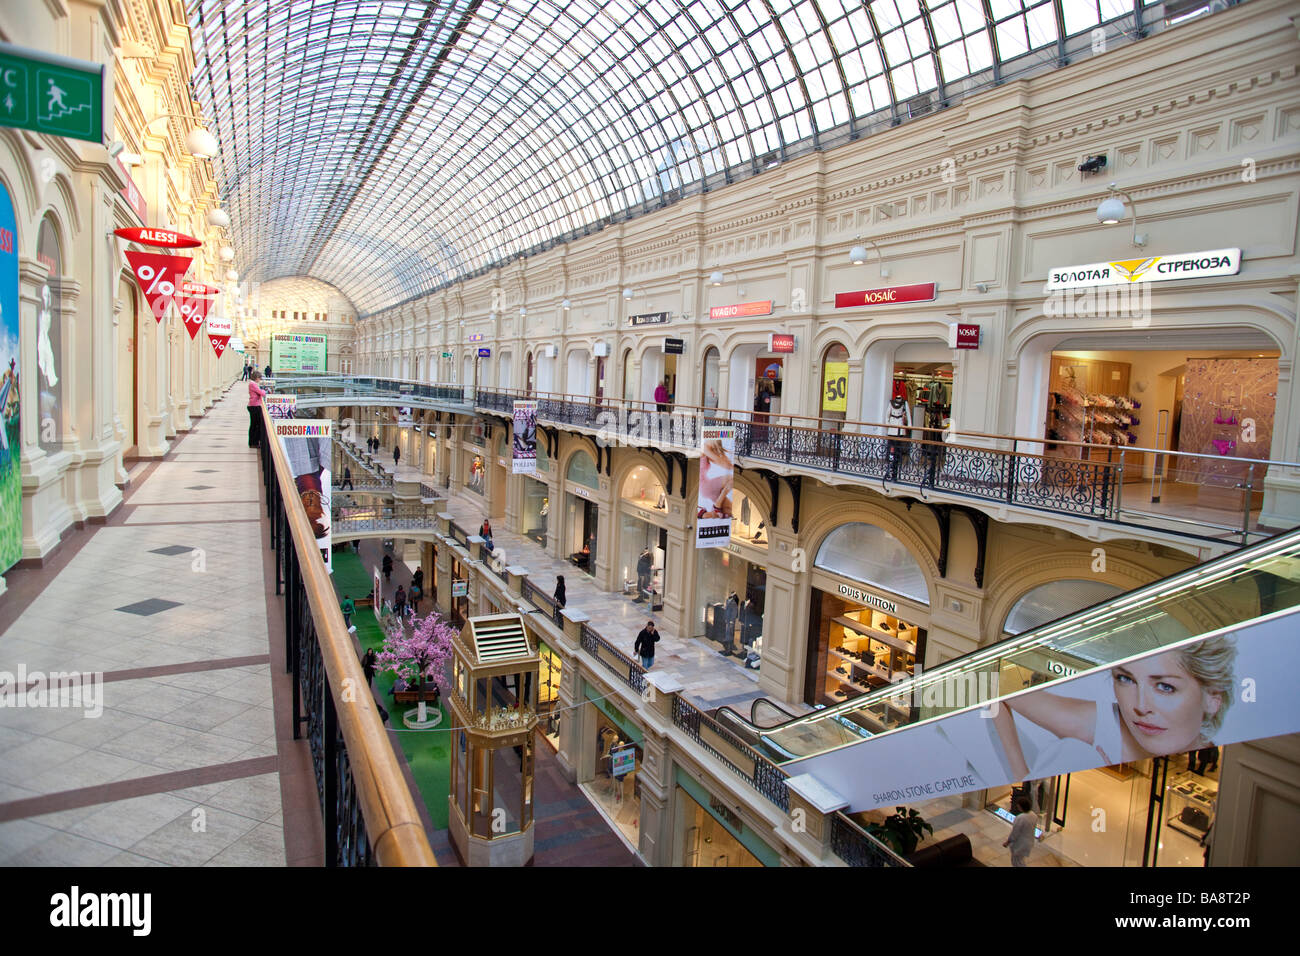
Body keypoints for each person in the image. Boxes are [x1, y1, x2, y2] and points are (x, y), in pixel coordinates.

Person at [992, 636, 1237, 781]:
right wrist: (1020, 775)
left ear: (1213, 698)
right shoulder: (1097, 723)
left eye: (1164, 687)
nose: (1140, 706)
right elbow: (998, 690)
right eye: (1126, 679)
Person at [698, 438, 734, 518]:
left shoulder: (708, 450)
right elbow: (720, 461)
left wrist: (728, 462)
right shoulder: (705, 447)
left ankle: (715, 510)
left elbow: (724, 463)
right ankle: (717, 505)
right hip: (705, 486)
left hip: (706, 487)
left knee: (728, 509)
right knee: (730, 478)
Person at [1001, 796, 1037, 867]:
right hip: (1029, 842)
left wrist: (1007, 842)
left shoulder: (1021, 818)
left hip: (1020, 844)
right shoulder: (1034, 815)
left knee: (1017, 861)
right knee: (1020, 860)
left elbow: (1015, 833)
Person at [247, 370, 268, 447]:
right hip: (254, 406)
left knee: (254, 425)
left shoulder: (252, 384)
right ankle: (254, 442)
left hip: (253, 405)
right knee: (256, 425)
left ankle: (253, 442)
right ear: (256, 378)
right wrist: (263, 391)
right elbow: (262, 393)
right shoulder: (253, 384)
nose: (260, 380)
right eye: (259, 378)